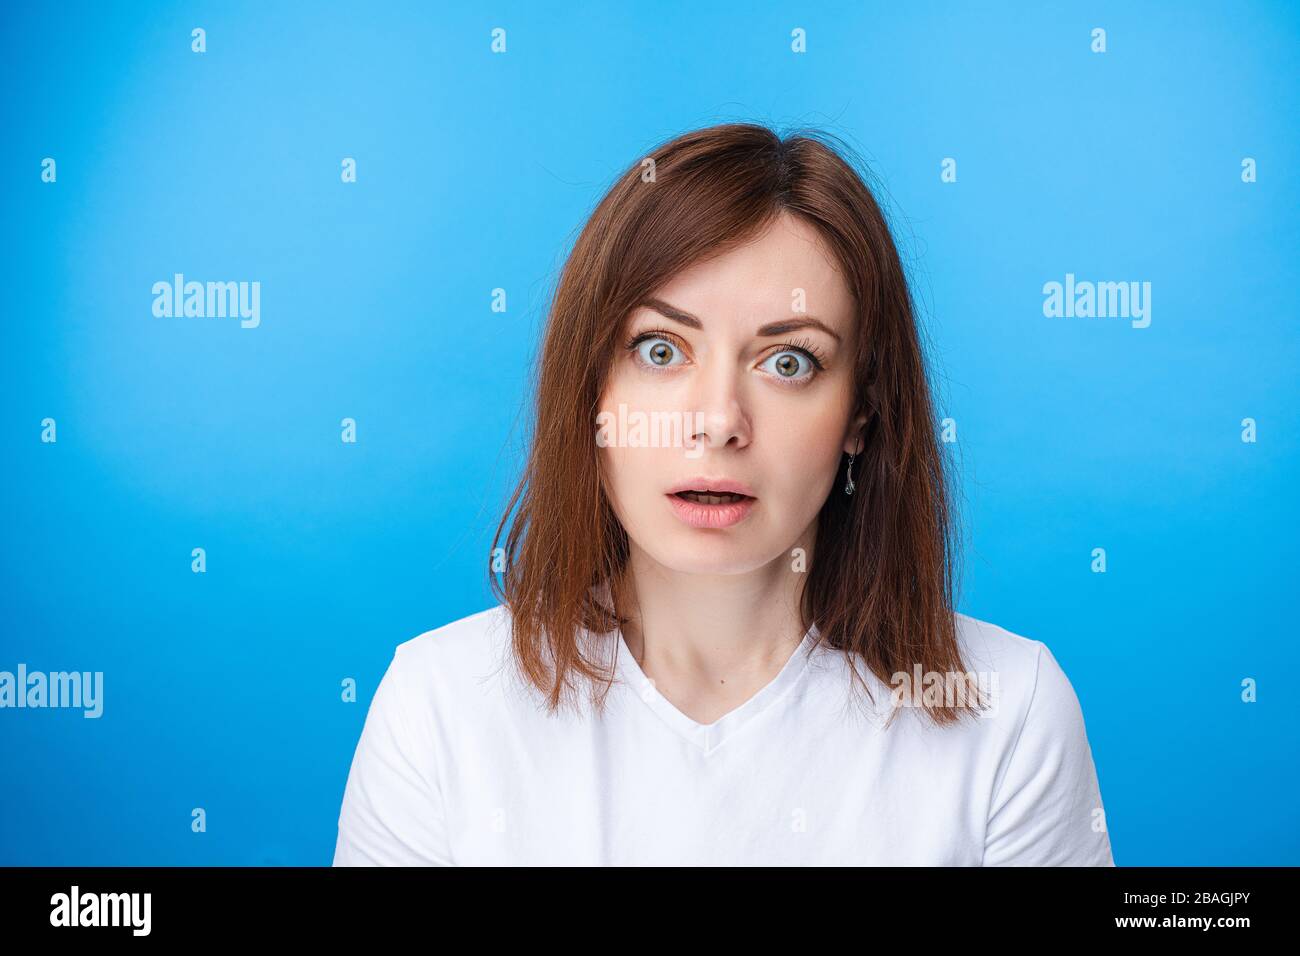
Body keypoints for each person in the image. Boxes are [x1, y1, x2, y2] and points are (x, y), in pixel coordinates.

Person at [332, 122, 1115, 866]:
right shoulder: (438, 707)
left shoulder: (1007, 710)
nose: (718, 424)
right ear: (592, 390)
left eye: (788, 363)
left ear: (861, 414)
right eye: (661, 349)